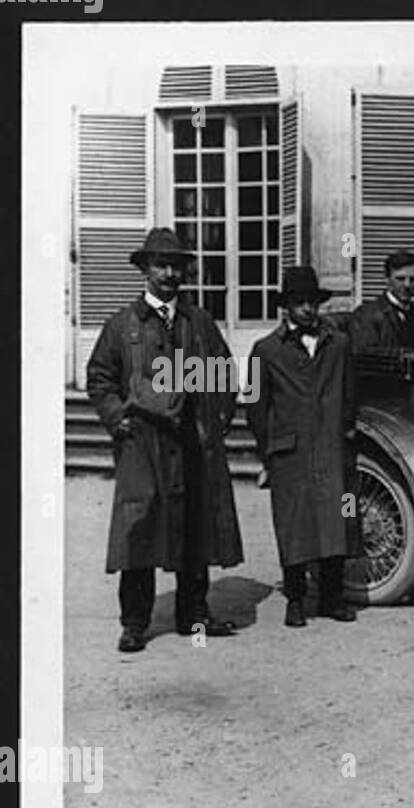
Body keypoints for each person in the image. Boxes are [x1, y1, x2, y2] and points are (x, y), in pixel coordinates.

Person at [86, 227, 243, 653]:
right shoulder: (122, 325)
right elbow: (100, 379)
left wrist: (219, 416)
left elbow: (223, 372)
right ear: (145, 270)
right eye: (161, 265)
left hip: (192, 442)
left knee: (195, 529)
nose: (170, 274)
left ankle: (193, 616)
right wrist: (117, 419)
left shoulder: (199, 323)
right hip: (143, 444)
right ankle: (134, 623)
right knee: (140, 530)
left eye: (176, 266)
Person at [248, 267, 363, 628]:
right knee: (294, 526)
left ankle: (332, 597)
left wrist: (345, 431)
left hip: (330, 444)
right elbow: (254, 404)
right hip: (289, 451)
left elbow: (350, 394)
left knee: (335, 523)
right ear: (286, 307)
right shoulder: (264, 350)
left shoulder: (338, 345)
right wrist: (268, 449)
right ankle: (295, 600)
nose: (308, 310)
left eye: (312, 303)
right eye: (299, 304)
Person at [350, 249, 414, 350]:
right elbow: (366, 357)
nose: (407, 285)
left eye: (413, 280)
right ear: (387, 279)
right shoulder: (366, 315)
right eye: (400, 279)